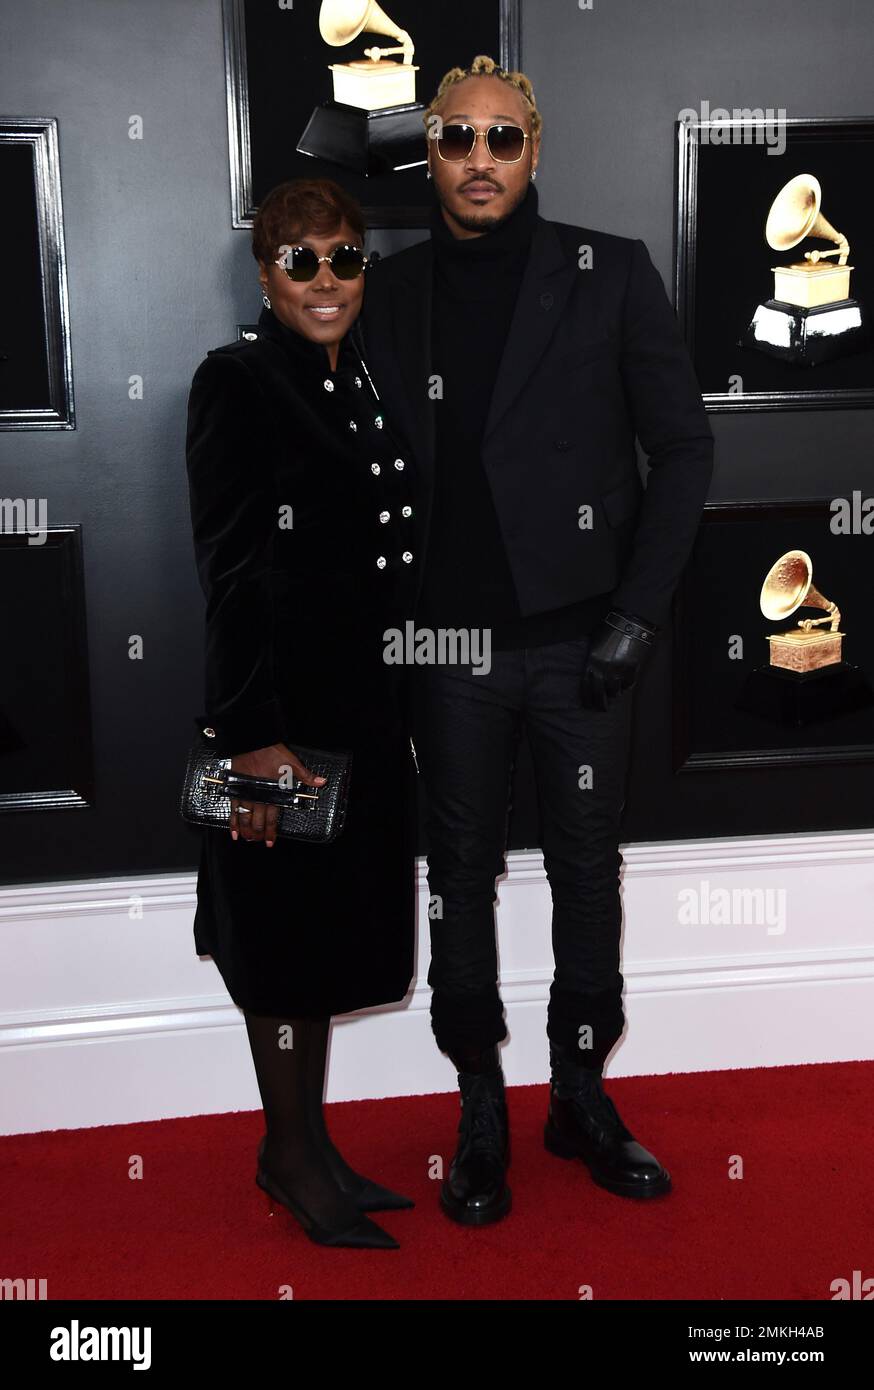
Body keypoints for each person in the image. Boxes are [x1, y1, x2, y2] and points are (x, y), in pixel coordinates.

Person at [361, 56, 715, 1225]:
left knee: (585, 878)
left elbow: (683, 452)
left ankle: (577, 1093)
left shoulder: (607, 275)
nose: (476, 159)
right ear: (430, 151)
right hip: (446, 653)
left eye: (500, 139)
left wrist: (636, 614)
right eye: (455, 138)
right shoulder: (388, 290)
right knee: (457, 883)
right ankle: (478, 1110)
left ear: (534, 146)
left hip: (581, 650)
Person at [184, 177, 419, 1249]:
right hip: (279, 717)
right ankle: (286, 1153)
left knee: (324, 935)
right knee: (281, 938)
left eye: (343, 259)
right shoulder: (236, 381)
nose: (326, 280)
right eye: (301, 261)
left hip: (361, 711)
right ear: (266, 274)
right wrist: (249, 738)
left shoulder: (357, 381)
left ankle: (311, 1145)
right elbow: (230, 572)